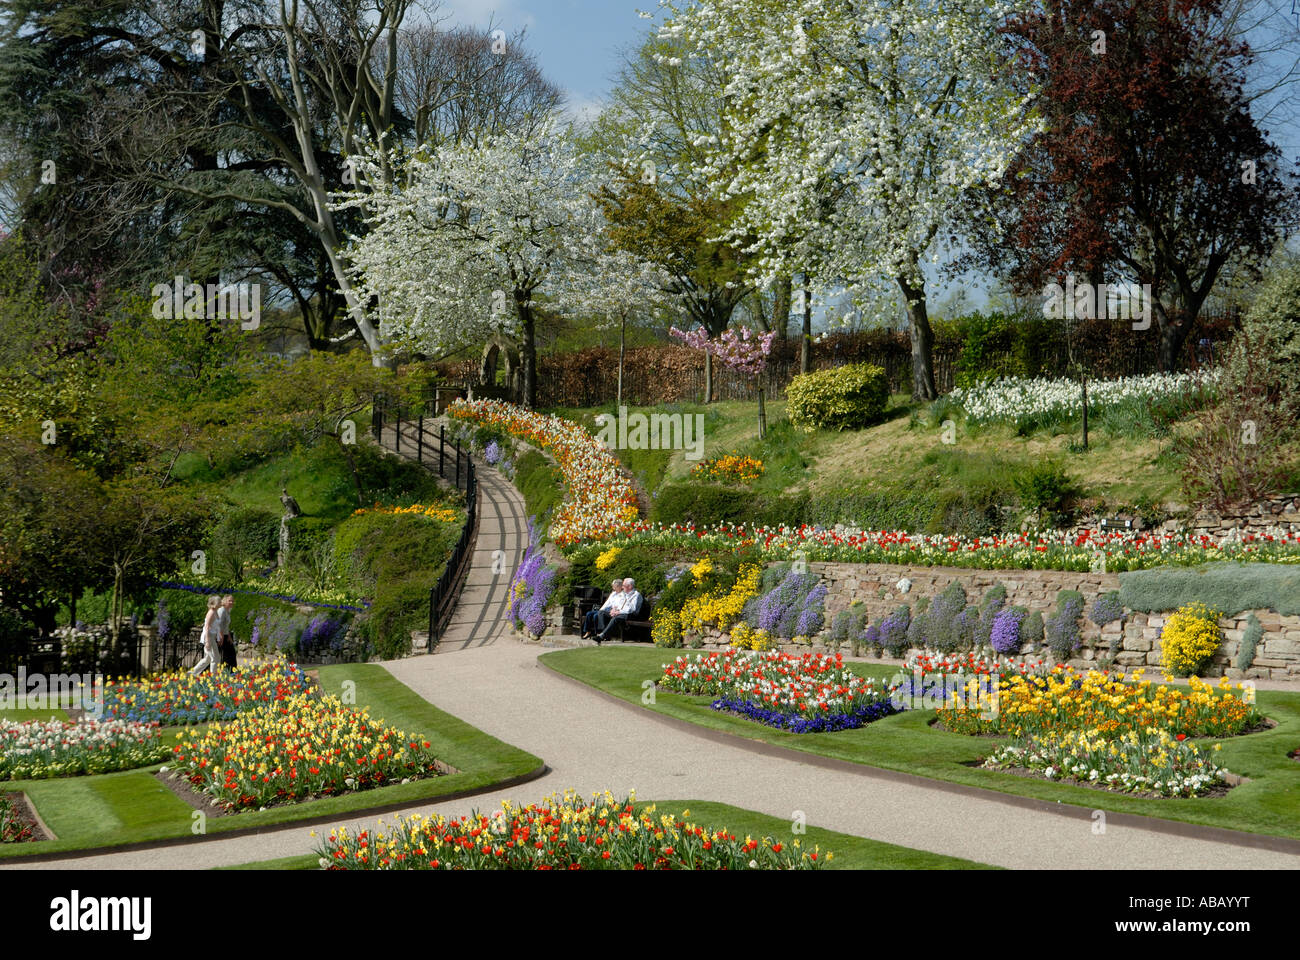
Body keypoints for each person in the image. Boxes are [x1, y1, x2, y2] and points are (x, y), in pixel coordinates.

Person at [595, 577, 643, 645]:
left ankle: (602, 636)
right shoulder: (625, 594)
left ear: (630, 586)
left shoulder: (636, 595)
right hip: (621, 613)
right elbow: (620, 605)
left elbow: (632, 609)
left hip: (632, 615)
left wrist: (619, 612)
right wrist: (614, 610)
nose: (622, 587)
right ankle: (603, 632)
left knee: (616, 618)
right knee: (601, 612)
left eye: (623, 586)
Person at [190, 596, 222, 676]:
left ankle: (192, 673)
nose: (220, 603)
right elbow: (207, 627)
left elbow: (216, 626)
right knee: (215, 657)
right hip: (209, 636)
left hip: (212, 636)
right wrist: (207, 641)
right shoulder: (211, 612)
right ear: (214, 603)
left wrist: (218, 636)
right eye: (219, 602)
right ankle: (213, 676)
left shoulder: (215, 611)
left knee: (207, 659)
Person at [218, 595, 238, 669]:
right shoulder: (221, 610)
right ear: (225, 601)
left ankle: (230, 670)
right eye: (229, 601)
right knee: (218, 655)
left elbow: (226, 625)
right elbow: (219, 625)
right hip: (220, 635)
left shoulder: (228, 610)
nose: (231, 602)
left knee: (231, 653)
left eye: (232, 601)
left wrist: (229, 636)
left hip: (225, 635)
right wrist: (221, 637)